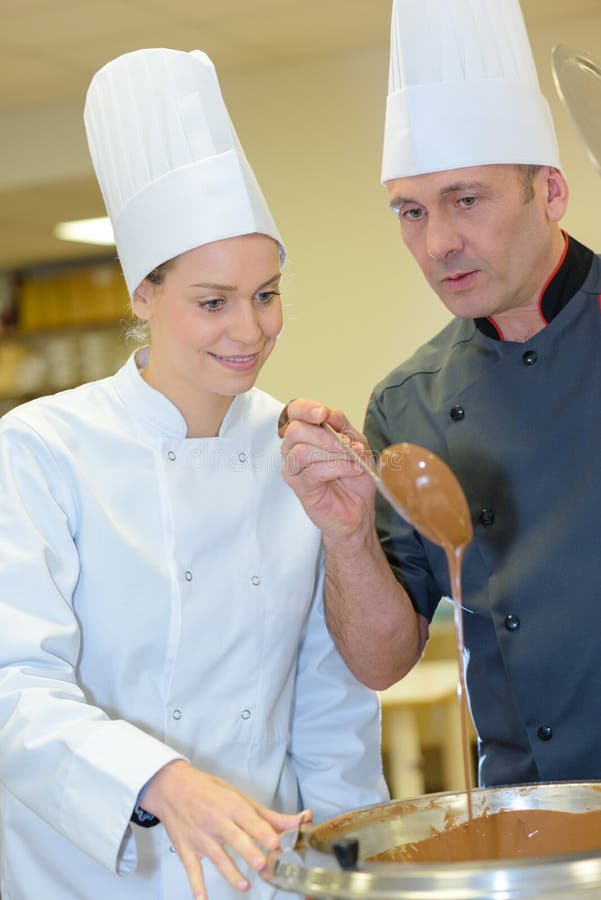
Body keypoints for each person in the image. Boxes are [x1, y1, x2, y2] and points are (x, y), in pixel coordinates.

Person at [0, 48, 387, 900]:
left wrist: (356, 871)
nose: (248, 329)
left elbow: (328, 700)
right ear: (143, 293)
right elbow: (12, 688)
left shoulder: (297, 451)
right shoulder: (41, 449)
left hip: (267, 873)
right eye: (212, 301)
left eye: (267, 293)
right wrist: (159, 780)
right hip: (88, 873)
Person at [279, 0, 601, 790]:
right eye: (410, 212)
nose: (437, 242)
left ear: (549, 191)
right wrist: (347, 537)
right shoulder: (409, 403)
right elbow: (382, 663)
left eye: (466, 200)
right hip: (531, 810)